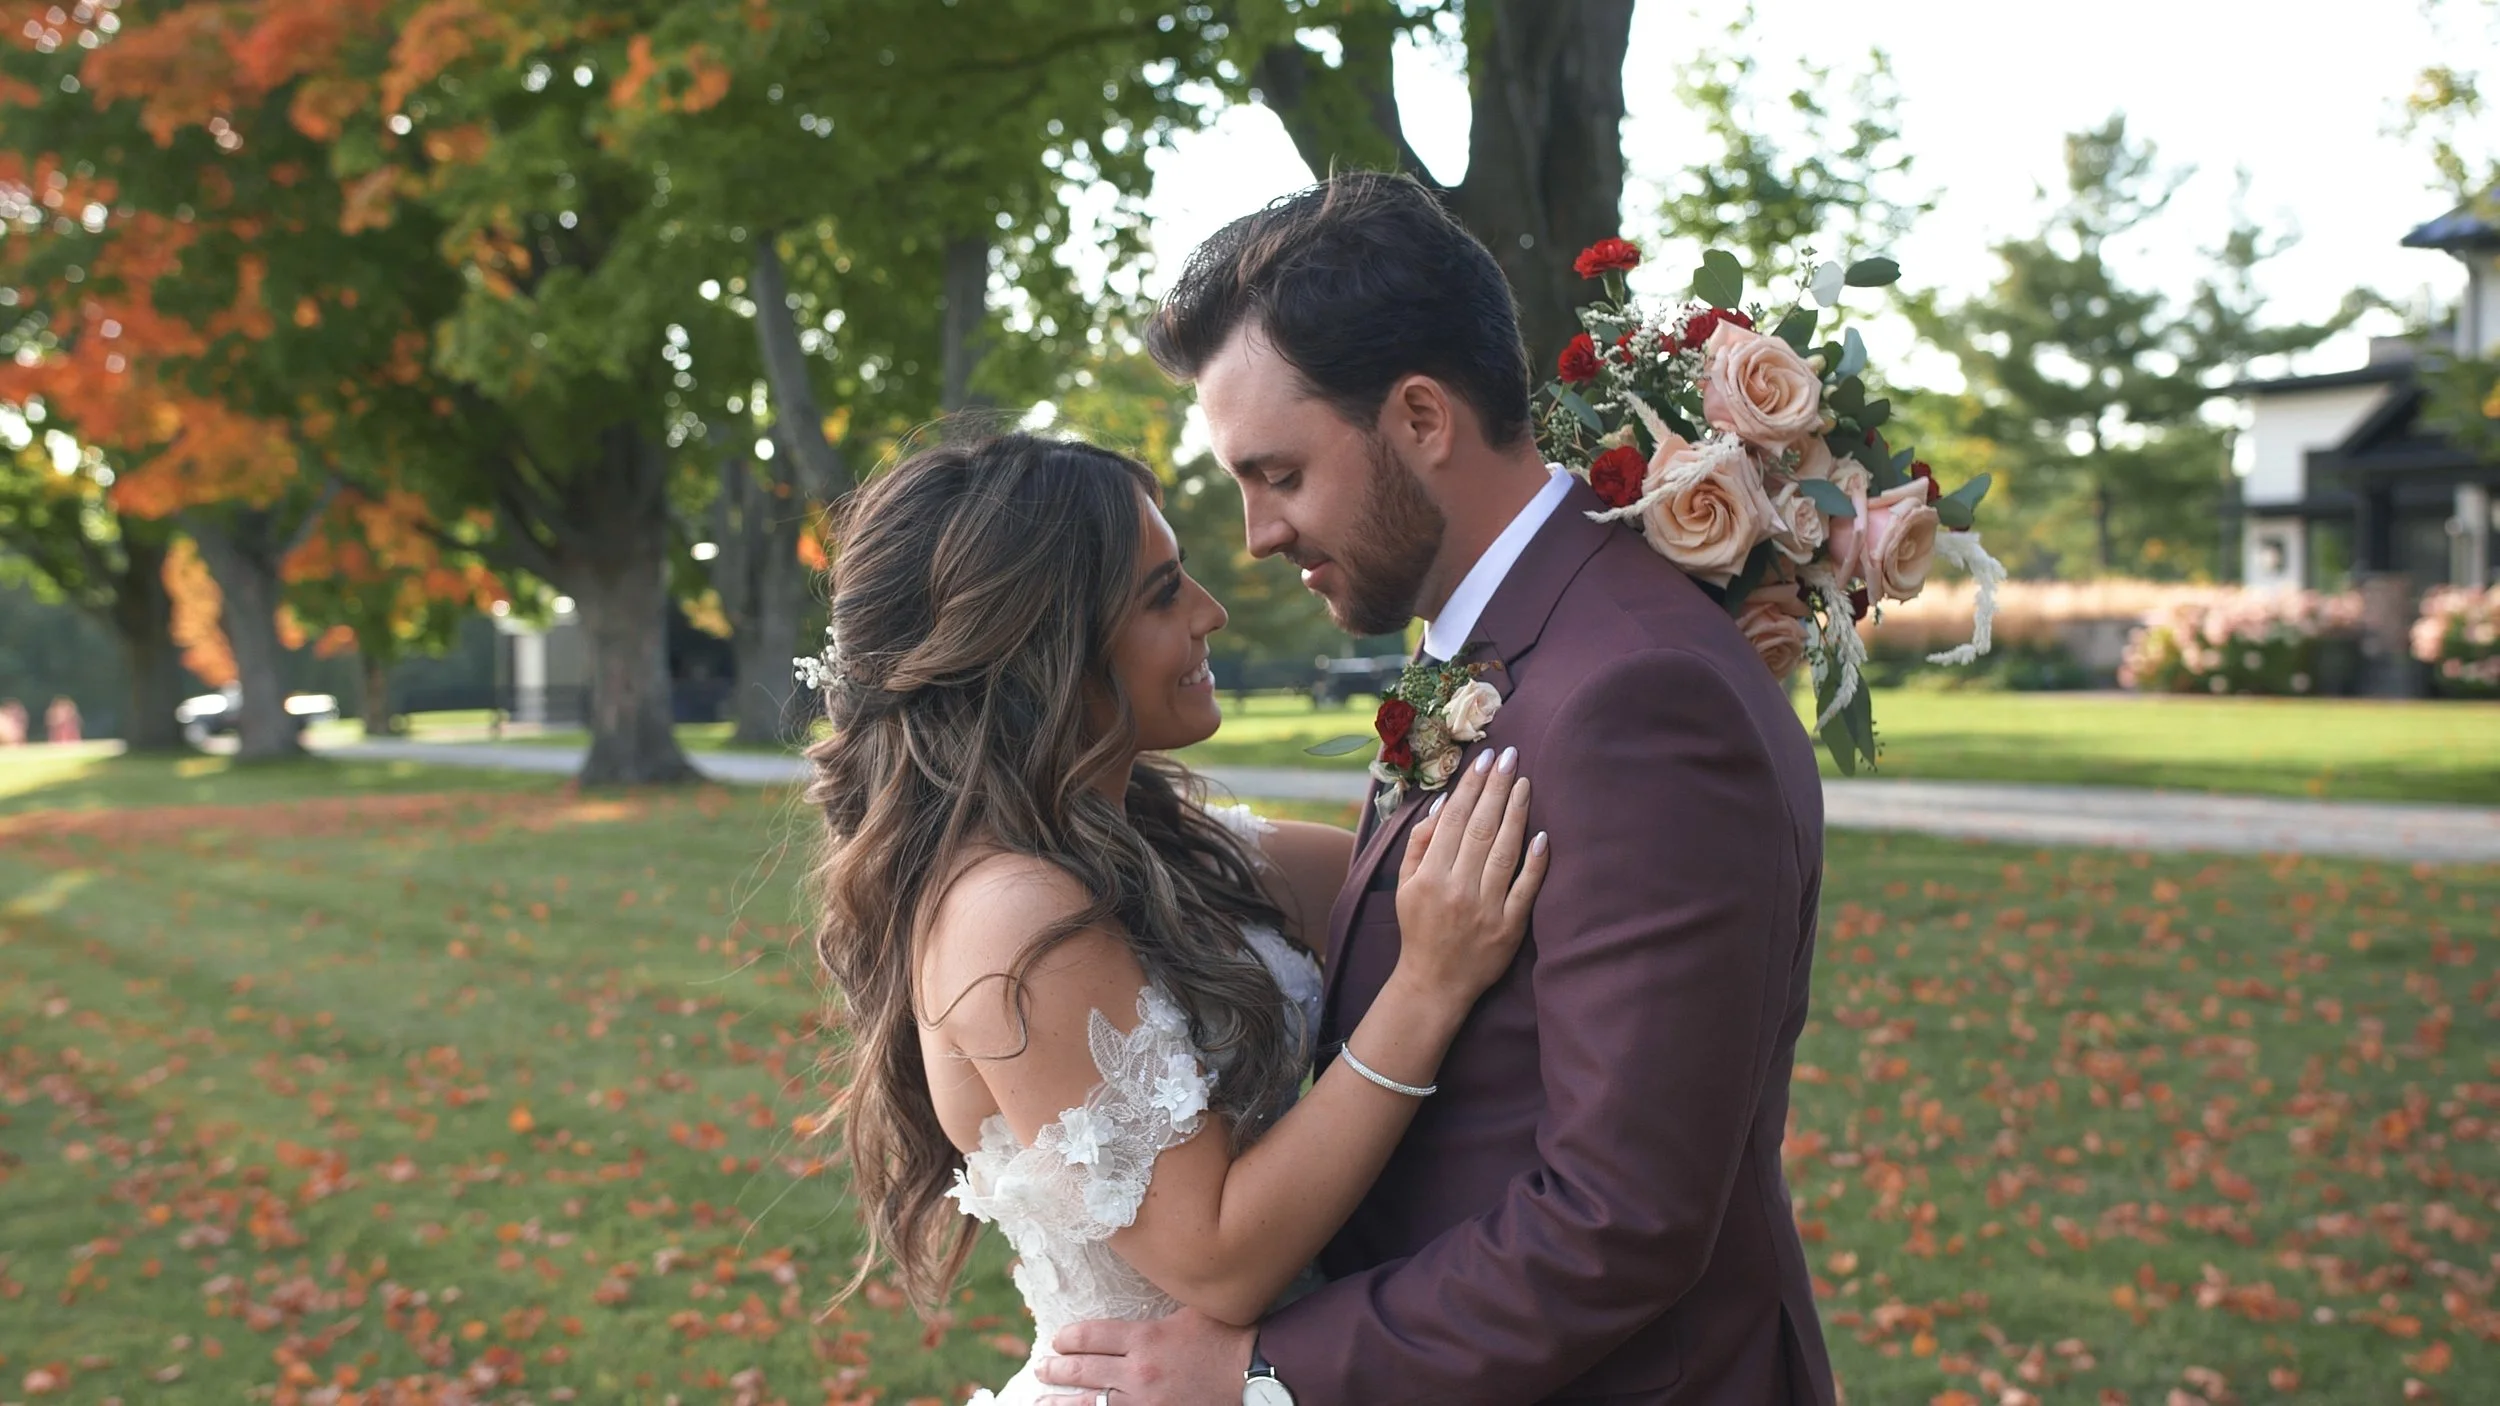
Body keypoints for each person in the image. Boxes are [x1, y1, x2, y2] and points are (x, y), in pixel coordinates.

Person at [1031, 173, 1835, 1405]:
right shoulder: (1506, 641)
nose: (1256, 534)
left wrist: (1265, 1368)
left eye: (1279, 474)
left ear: (1418, 418)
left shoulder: (1635, 695)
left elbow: (1624, 1215)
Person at [800, 432, 1549, 1406]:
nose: (1210, 611)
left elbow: (1391, 879)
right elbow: (1219, 1257)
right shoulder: (1011, 918)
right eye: (1161, 595)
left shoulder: (1164, 846)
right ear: (1042, 648)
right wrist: (1429, 987)